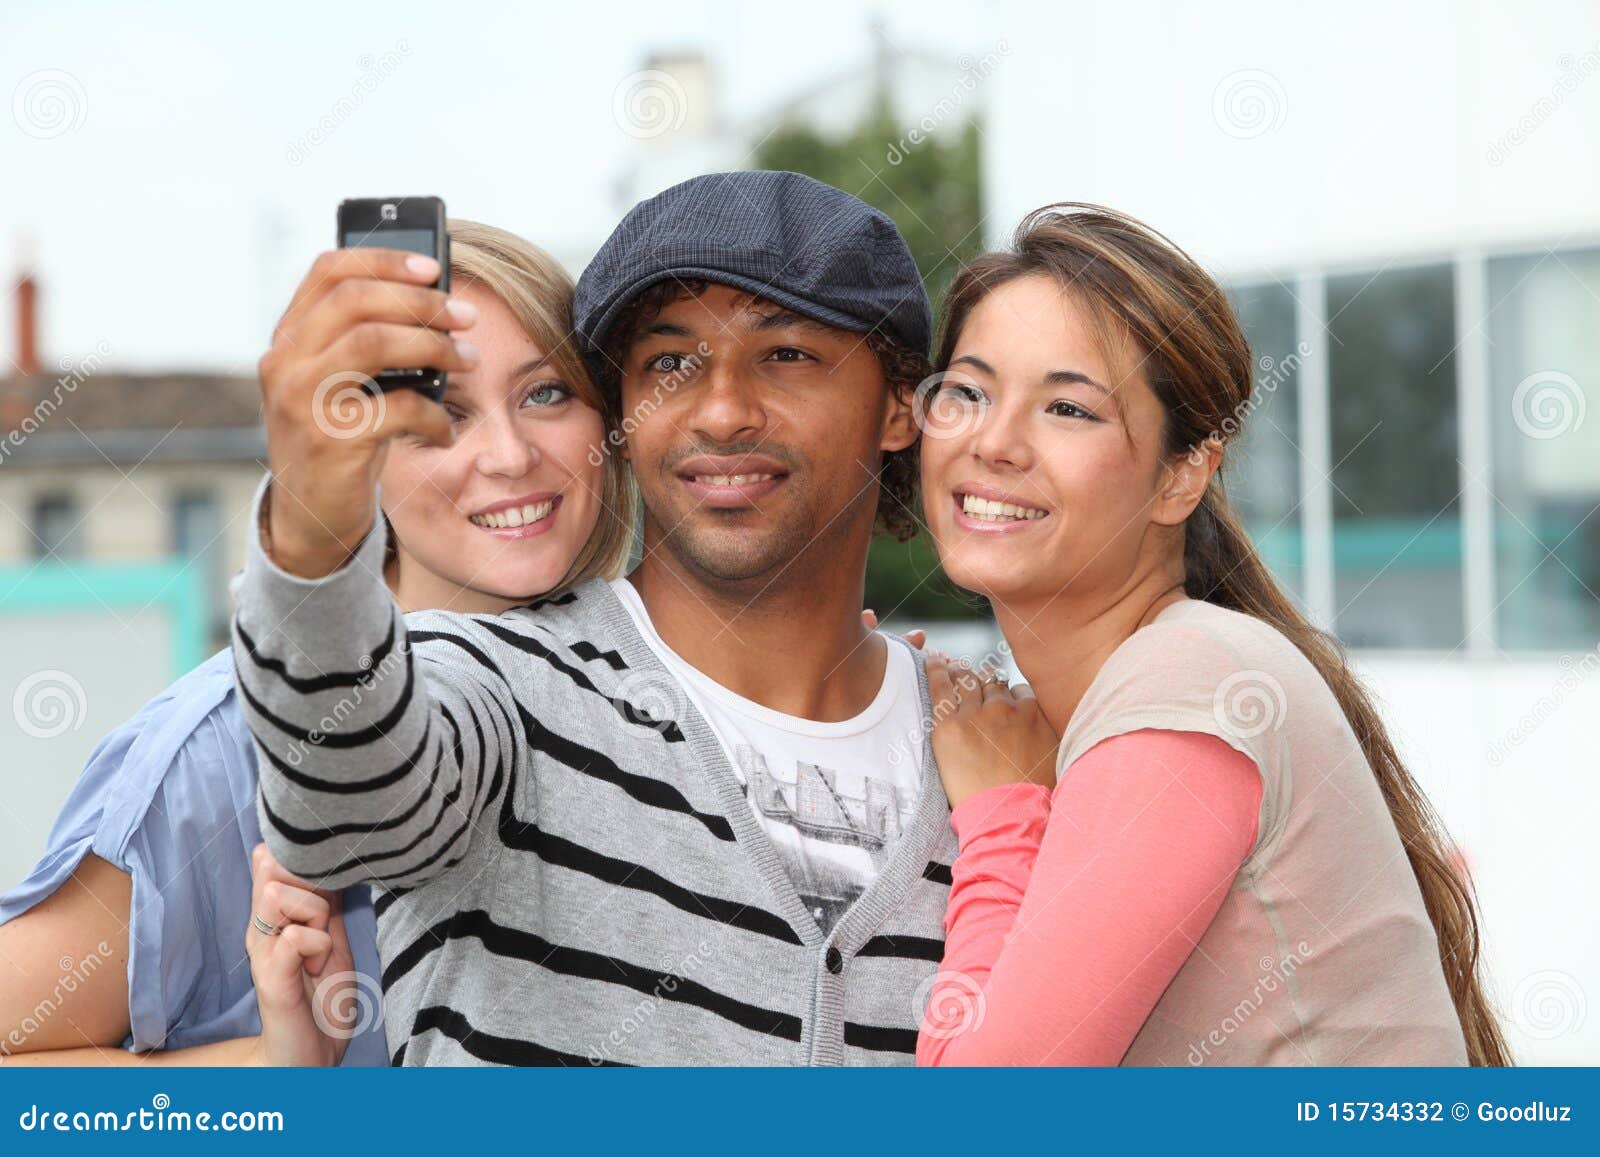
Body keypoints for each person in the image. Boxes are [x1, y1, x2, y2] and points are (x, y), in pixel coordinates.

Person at [233, 170, 962, 1066]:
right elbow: (343, 794)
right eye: (670, 364)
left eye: (786, 355)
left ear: (900, 404)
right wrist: (311, 519)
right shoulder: (499, 684)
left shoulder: (991, 750)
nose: (722, 411)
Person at [0, 220, 635, 1066]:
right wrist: (277, 1070)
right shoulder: (217, 754)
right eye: (440, 413)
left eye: (547, 392)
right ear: (354, 455)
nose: (510, 455)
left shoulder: (648, 703)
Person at [912, 204, 1511, 1066]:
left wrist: (1001, 810)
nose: (994, 442)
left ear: (1183, 474)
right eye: (968, 392)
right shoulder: (1164, 684)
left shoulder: (1189, 679)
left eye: (1068, 408)